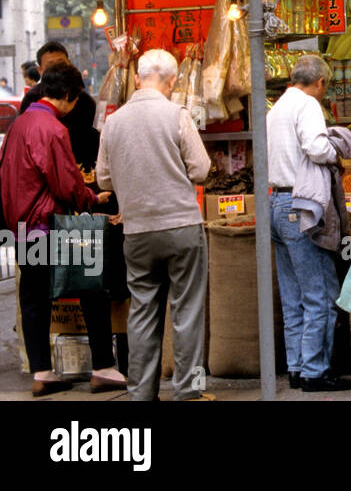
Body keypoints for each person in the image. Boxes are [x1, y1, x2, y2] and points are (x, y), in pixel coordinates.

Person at [0, 64, 126, 396]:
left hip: (25, 227)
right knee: (92, 287)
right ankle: (103, 367)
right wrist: (91, 198)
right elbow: (67, 184)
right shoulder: (52, 129)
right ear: (69, 96)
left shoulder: (18, 126)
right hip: (54, 224)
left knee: (33, 299)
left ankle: (42, 372)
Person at [95, 49, 212, 401]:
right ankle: (188, 392)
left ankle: (141, 393)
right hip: (182, 227)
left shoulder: (114, 122)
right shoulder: (177, 114)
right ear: (172, 80)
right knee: (188, 312)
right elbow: (202, 169)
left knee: (143, 311)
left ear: (137, 78)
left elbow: (102, 179)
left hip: (138, 232)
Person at [266, 55, 351, 393]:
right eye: (325, 86)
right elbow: (316, 147)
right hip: (301, 206)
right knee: (321, 293)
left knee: (293, 297)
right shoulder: (307, 105)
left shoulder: (275, 108)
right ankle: (316, 372)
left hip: (277, 202)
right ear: (319, 83)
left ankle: (297, 366)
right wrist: (338, 155)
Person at [21, 41, 100, 169]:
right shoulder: (31, 100)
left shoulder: (85, 101)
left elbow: (92, 138)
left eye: (61, 63)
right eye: (50, 66)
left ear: (69, 64)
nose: (57, 70)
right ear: (40, 70)